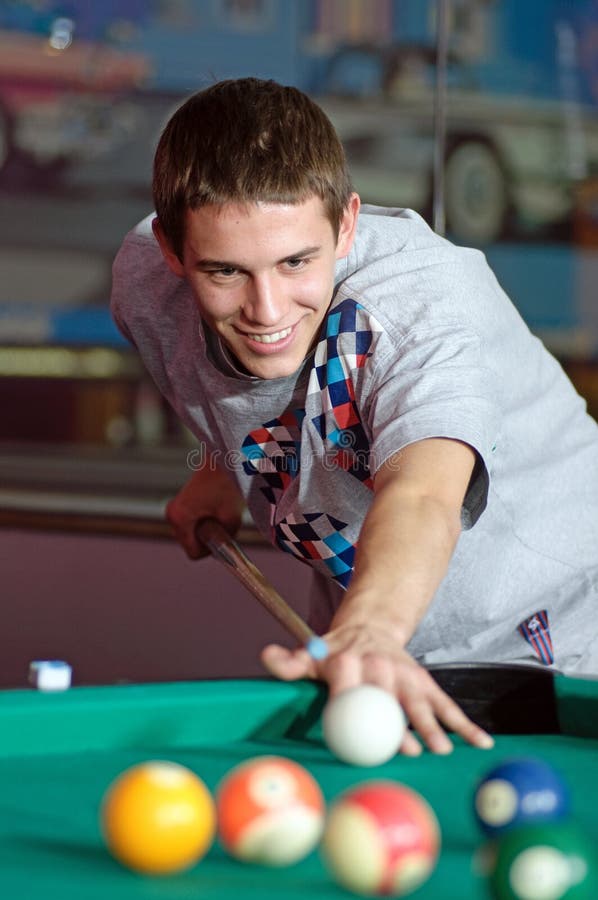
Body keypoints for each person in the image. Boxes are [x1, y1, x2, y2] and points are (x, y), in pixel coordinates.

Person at [111, 77, 598, 756]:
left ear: (346, 225)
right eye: (225, 272)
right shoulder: (146, 292)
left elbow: (424, 491)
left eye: (296, 262)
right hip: (374, 660)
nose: (268, 310)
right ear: (172, 252)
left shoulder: (423, 305)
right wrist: (223, 471)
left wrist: (369, 627)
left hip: (564, 650)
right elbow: (244, 395)